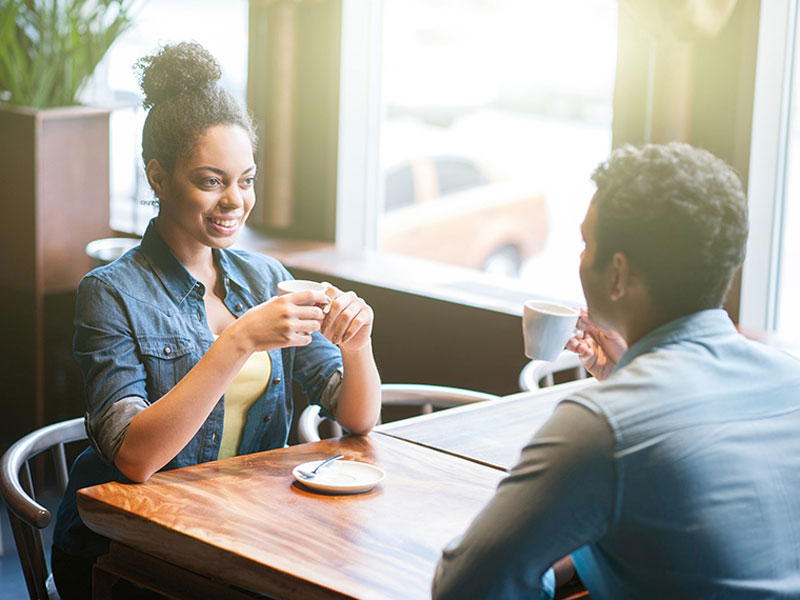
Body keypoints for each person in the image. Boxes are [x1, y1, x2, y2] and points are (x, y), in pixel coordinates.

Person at [51, 41, 381, 600]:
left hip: (240, 527)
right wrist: (239, 340)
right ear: (158, 178)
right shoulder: (109, 293)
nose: (234, 200)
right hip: (124, 544)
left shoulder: (266, 276)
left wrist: (357, 344)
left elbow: (357, 418)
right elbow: (134, 456)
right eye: (211, 181)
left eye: (246, 180)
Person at [432, 142, 800, 599]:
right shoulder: (791, 380)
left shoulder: (602, 426)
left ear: (618, 274)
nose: (581, 258)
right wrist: (632, 373)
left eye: (587, 244)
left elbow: (465, 588)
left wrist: (554, 560)